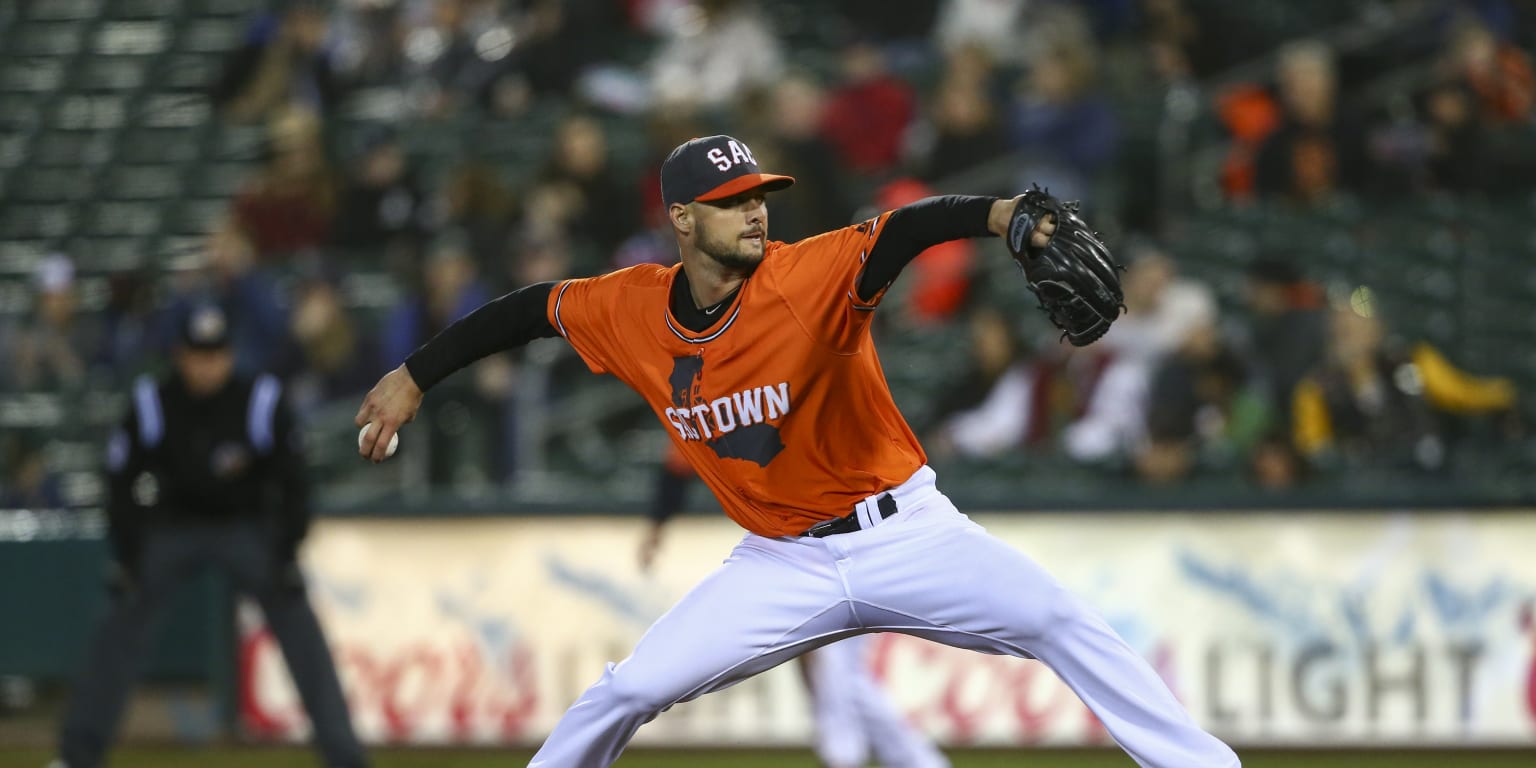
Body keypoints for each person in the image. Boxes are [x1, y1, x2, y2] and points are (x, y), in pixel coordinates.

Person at [356, 135, 1240, 768]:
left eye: (758, 196)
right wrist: (414, 376)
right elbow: (527, 310)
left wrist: (1002, 214)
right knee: (626, 692)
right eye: (732, 202)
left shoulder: (803, 275)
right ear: (681, 220)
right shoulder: (627, 308)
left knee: (1063, 622)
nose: (753, 212)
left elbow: (903, 231)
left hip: (906, 531)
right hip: (778, 562)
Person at [55, 304, 366, 768]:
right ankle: (78, 757)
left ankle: (346, 759)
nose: (207, 365)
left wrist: (285, 553)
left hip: (247, 528)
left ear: (230, 354)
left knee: (299, 623)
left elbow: (294, 482)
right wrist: (130, 553)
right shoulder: (154, 401)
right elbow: (119, 480)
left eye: (216, 354)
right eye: (198, 354)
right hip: (172, 527)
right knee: (119, 622)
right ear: (179, 355)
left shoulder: (259, 398)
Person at [638, 455, 951, 768]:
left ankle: (849, 757)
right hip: (833, 542)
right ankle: (910, 760)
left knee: (833, 669)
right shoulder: (749, 419)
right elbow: (679, 468)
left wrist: (656, 529)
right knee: (844, 673)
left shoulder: (773, 422)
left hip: (843, 541)